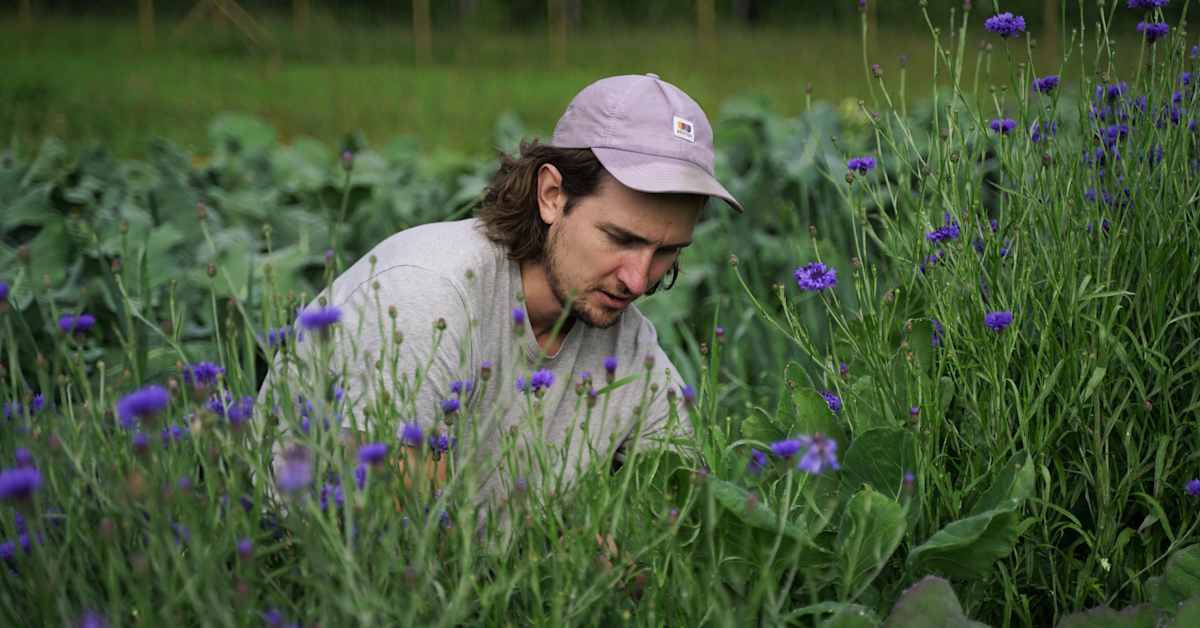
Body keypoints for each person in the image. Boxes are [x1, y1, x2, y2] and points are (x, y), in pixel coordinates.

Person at [258, 73, 742, 510]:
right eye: (621, 239)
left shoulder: (628, 344)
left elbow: (686, 505)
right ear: (552, 195)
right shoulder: (431, 293)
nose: (639, 280)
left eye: (667, 252)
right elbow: (402, 538)